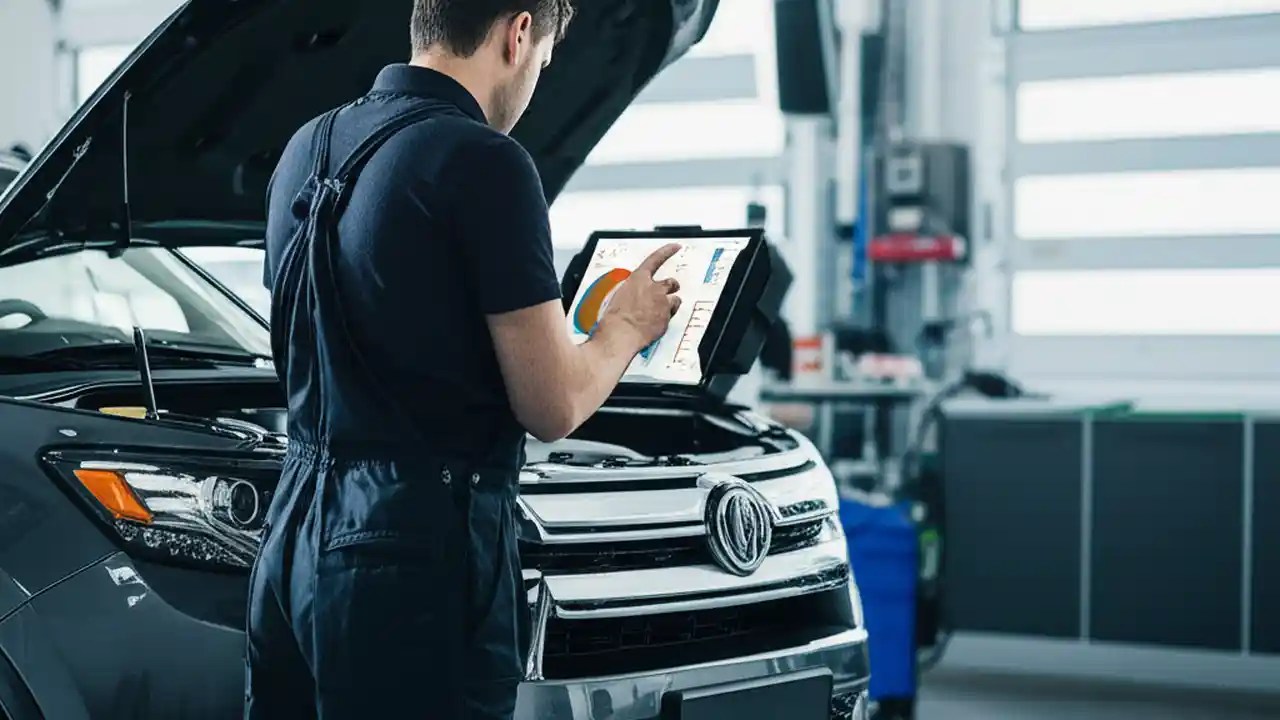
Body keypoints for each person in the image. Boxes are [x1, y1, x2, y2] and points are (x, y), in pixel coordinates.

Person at [244, 1, 682, 718]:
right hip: (413, 558)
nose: (538, 75)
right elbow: (554, 405)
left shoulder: (306, 148)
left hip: (289, 539)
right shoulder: (486, 162)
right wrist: (624, 328)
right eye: (544, 57)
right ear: (517, 35)